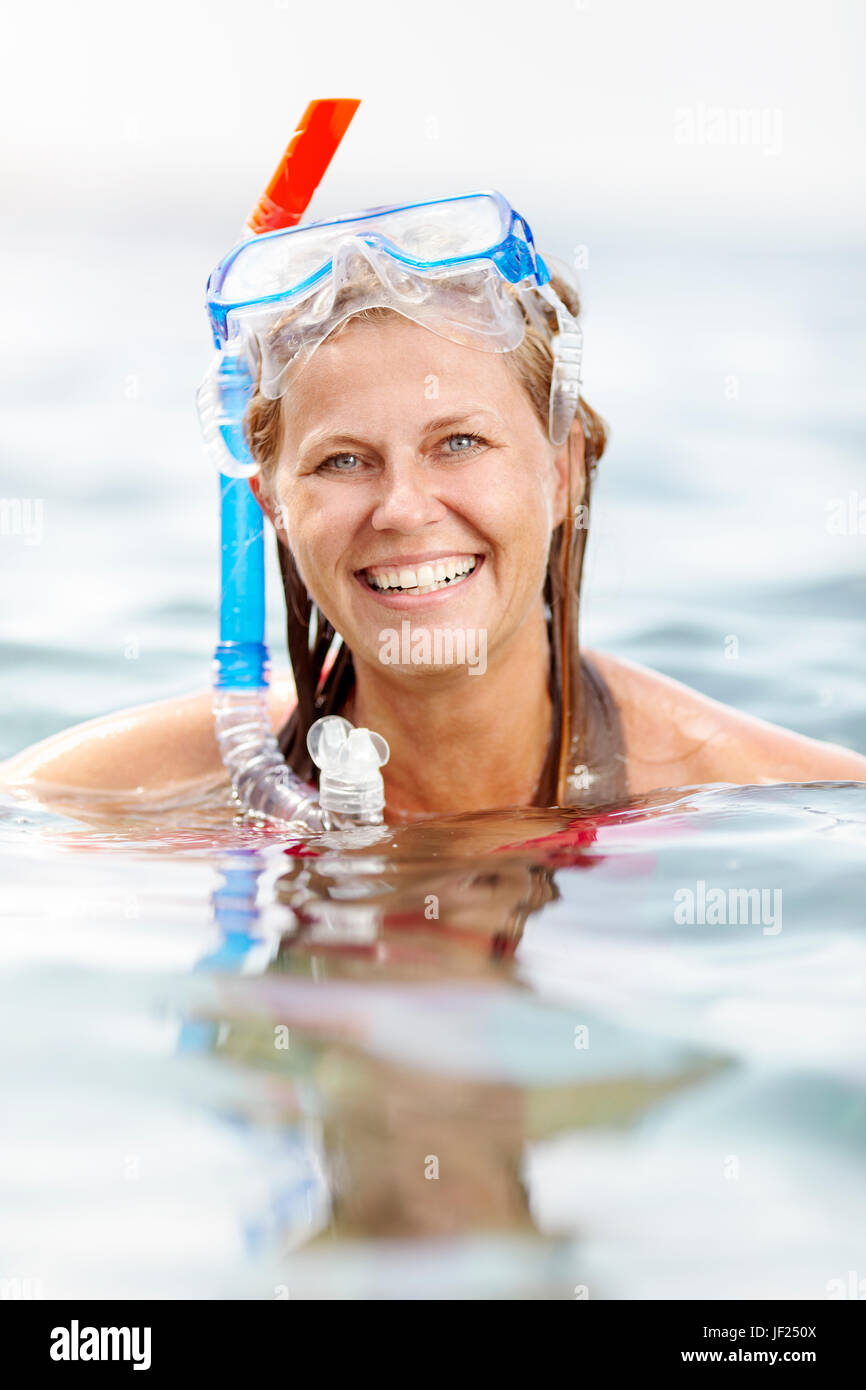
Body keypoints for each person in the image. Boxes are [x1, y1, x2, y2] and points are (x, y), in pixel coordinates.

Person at [3, 192, 865, 822]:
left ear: (562, 471)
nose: (404, 510)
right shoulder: (128, 794)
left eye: (459, 443)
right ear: (271, 506)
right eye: (344, 461)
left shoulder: (773, 799)